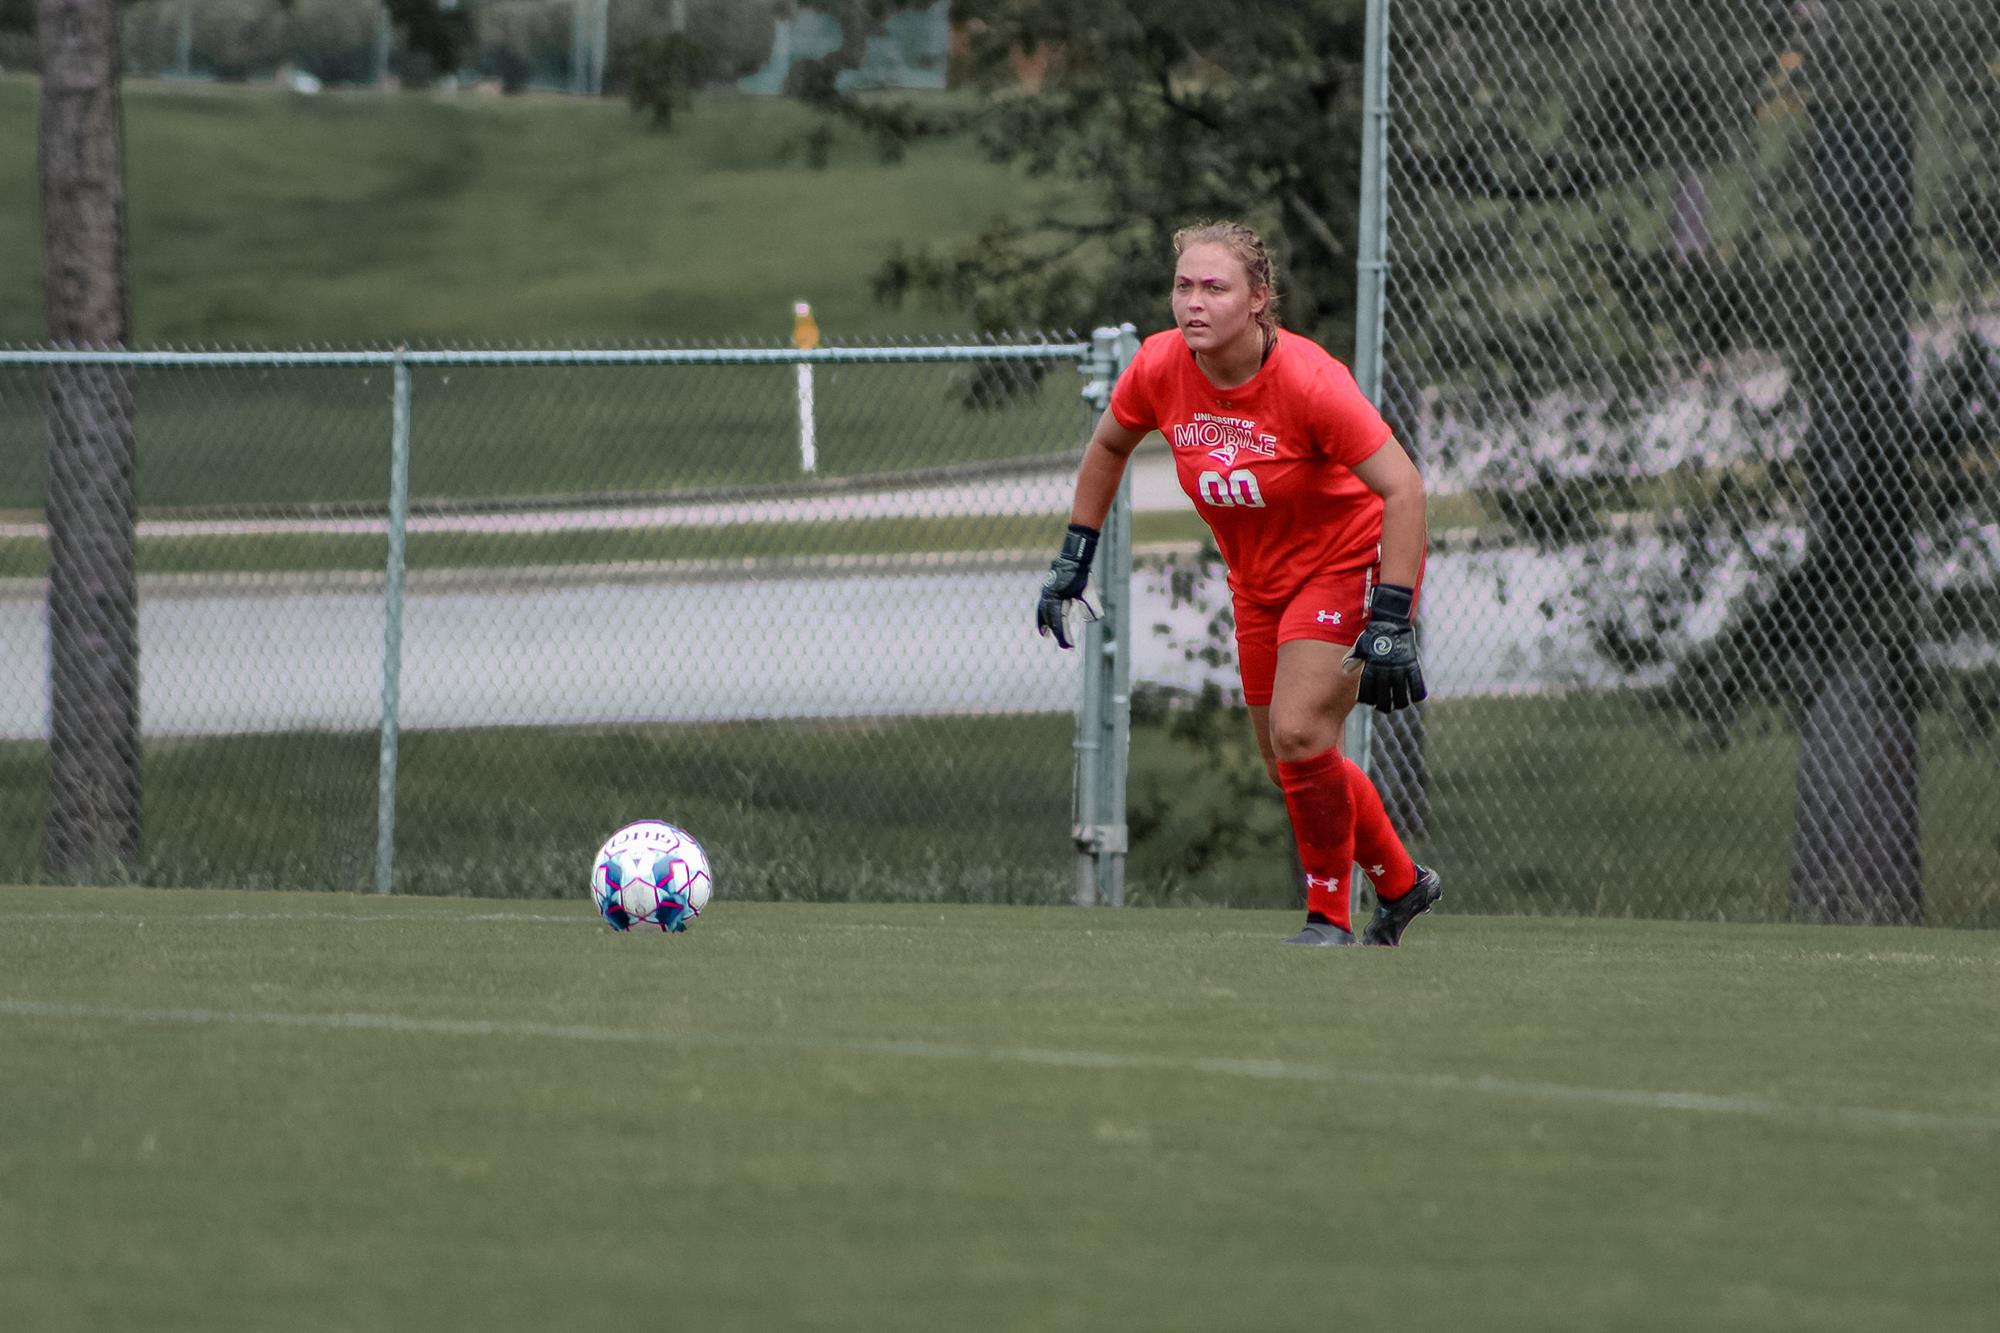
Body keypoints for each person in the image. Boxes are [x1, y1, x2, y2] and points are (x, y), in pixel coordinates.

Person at [1036, 221, 1440, 947]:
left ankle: (1328, 919)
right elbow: (1109, 445)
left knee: (1297, 731)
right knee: (1290, 756)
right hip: (1258, 584)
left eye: (1214, 287)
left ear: (1258, 299)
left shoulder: (1309, 380)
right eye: (1184, 286)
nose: (1193, 302)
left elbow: (1404, 490)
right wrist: (1074, 558)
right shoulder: (1161, 366)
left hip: (1347, 562)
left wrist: (1392, 616)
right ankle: (1403, 883)